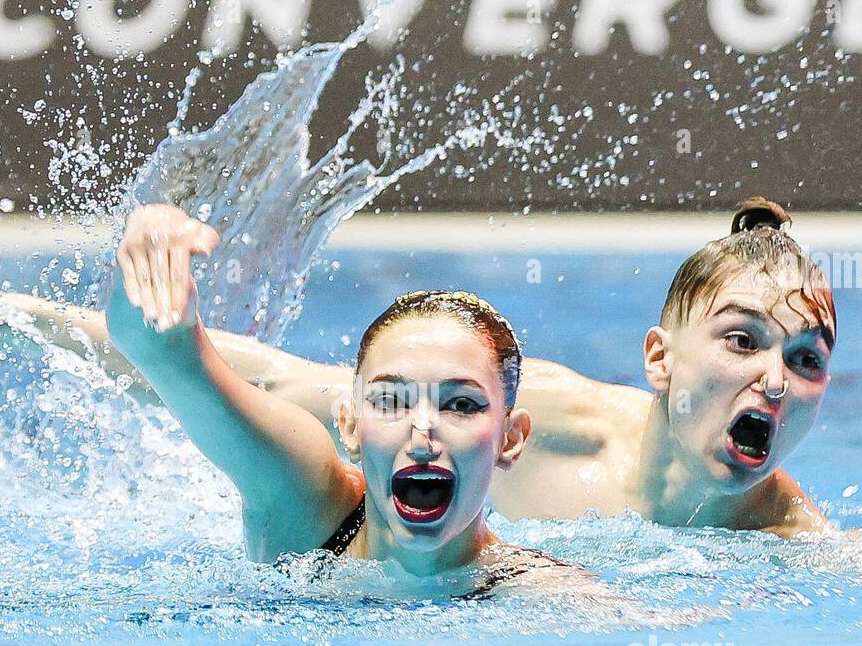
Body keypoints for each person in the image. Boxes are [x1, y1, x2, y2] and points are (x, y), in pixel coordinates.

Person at [0, 197, 834, 537]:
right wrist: (35, 323)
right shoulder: (524, 414)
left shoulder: (789, 530)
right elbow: (279, 382)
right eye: (742, 341)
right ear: (659, 357)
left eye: (806, 358)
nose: (775, 380)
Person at [95, 203, 587, 595]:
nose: (423, 432)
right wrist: (153, 237)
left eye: (459, 405)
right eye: (390, 401)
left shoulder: (541, 592)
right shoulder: (303, 505)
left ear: (511, 438)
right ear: (349, 428)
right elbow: (157, 351)